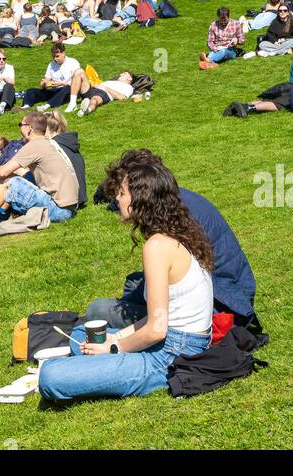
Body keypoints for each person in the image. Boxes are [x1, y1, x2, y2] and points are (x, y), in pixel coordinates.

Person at [38, 153, 214, 402]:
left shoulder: (157, 246)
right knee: (81, 335)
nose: (117, 199)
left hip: (172, 355)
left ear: (140, 200)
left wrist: (113, 347)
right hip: (183, 343)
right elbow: (155, 320)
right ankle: (101, 360)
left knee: (50, 376)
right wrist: (114, 337)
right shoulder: (178, 233)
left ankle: (100, 366)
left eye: (122, 193)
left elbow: (156, 330)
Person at [86, 149, 257, 329]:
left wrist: (120, 339)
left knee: (99, 310)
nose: (117, 198)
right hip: (233, 291)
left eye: (122, 191)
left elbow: (164, 320)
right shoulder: (171, 202)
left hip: (222, 304)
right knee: (134, 283)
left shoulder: (171, 224)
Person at [0, 110, 79, 238]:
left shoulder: (34, 145)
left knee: (5, 181)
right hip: (70, 208)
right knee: (12, 178)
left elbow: (2, 171)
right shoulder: (49, 143)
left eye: (20, 124)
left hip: (59, 210)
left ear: (29, 128)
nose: (19, 127)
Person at [21, 42, 82, 109]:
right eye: (53, 56)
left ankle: (47, 105)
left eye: (57, 56)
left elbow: (77, 83)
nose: (55, 59)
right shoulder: (51, 64)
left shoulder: (73, 63)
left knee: (66, 88)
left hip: (69, 90)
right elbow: (47, 79)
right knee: (31, 90)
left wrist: (62, 84)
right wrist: (44, 83)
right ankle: (26, 106)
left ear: (64, 53)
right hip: (54, 89)